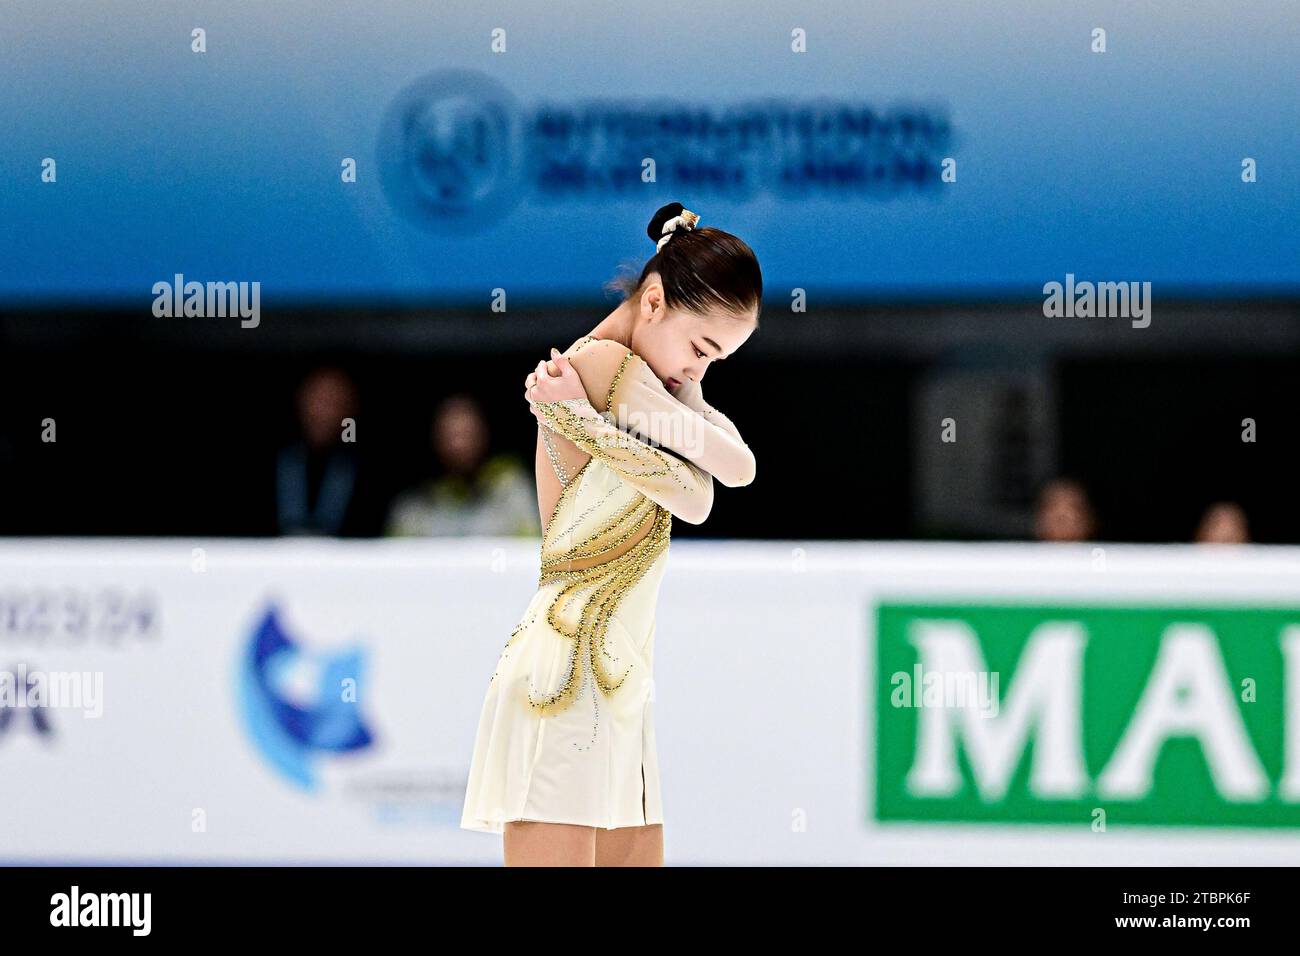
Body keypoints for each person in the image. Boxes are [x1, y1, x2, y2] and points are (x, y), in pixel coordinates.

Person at [460, 202, 761, 866]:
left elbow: (730, 469)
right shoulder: (600, 368)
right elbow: (706, 491)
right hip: (568, 676)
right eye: (701, 348)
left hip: (616, 682)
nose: (700, 370)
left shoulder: (641, 383)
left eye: (719, 359)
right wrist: (586, 420)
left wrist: (675, 396)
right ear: (654, 301)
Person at [385, 394, 540, 537]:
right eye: (451, 435)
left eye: (467, 434)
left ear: (483, 434)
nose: (459, 446)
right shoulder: (412, 503)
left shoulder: (511, 486)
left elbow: (531, 548)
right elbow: (396, 558)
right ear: (435, 438)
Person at [275, 367, 361, 536]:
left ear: (350, 410)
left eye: (336, 403)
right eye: (319, 400)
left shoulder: (358, 468)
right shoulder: (278, 460)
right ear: (301, 400)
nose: (325, 413)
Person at [1032, 476, 1097, 542]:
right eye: (1053, 506)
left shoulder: (1101, 551)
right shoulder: (1024, 551)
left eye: (1073, 507)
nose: (1062, 515)